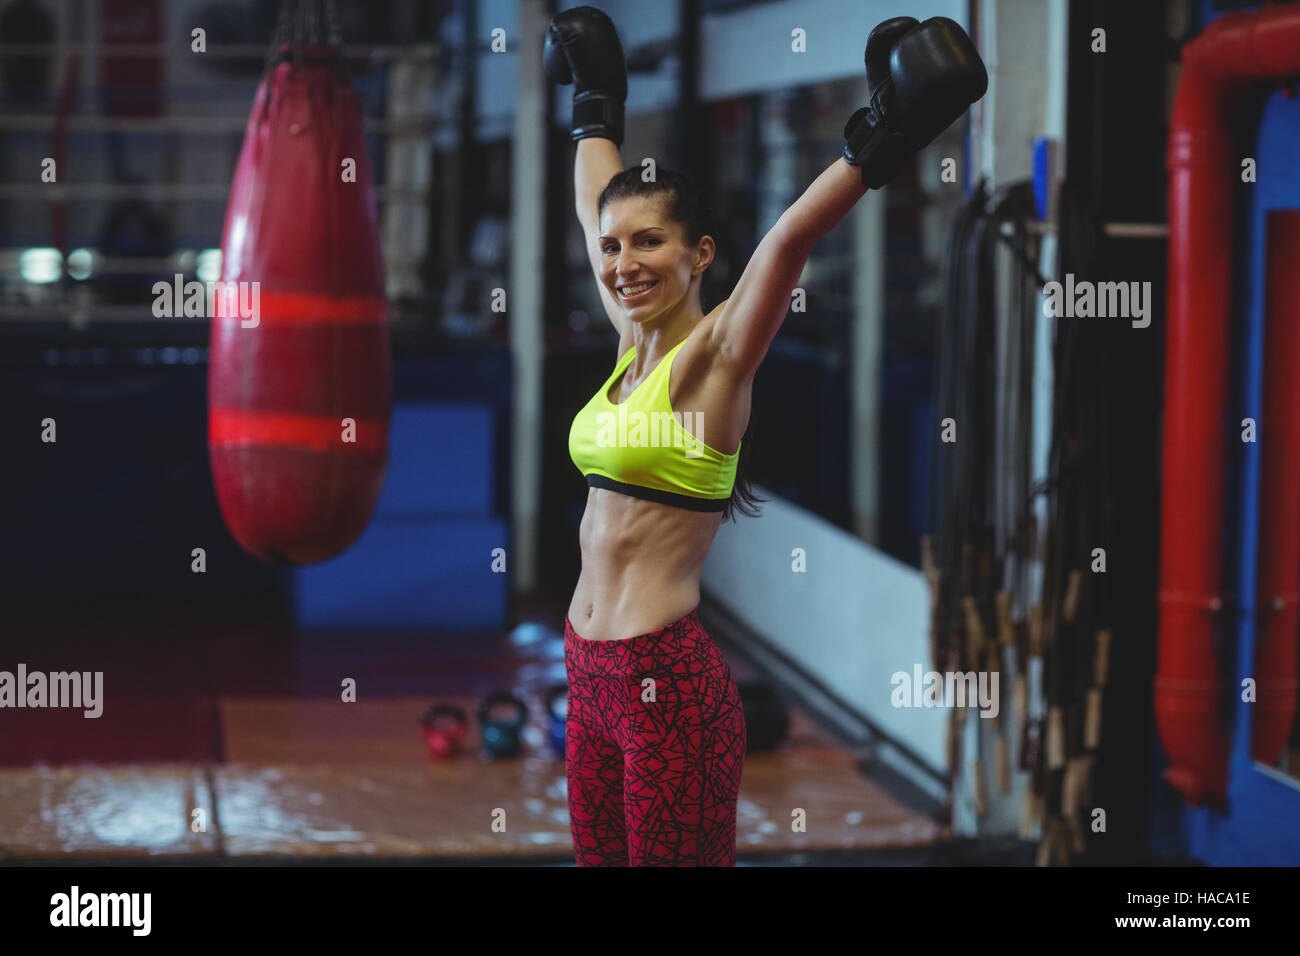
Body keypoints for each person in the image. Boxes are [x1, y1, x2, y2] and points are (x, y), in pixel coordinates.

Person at [545, 6, 986, 866]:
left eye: (650, 242)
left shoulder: (716, 357)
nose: (624, 261)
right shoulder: (631, 343)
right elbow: (589, 208)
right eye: (613, 248)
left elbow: (790, 238)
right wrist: (595, 105)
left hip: (663, 681)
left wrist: (879, 138)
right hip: (588, 676)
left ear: (699, 253)